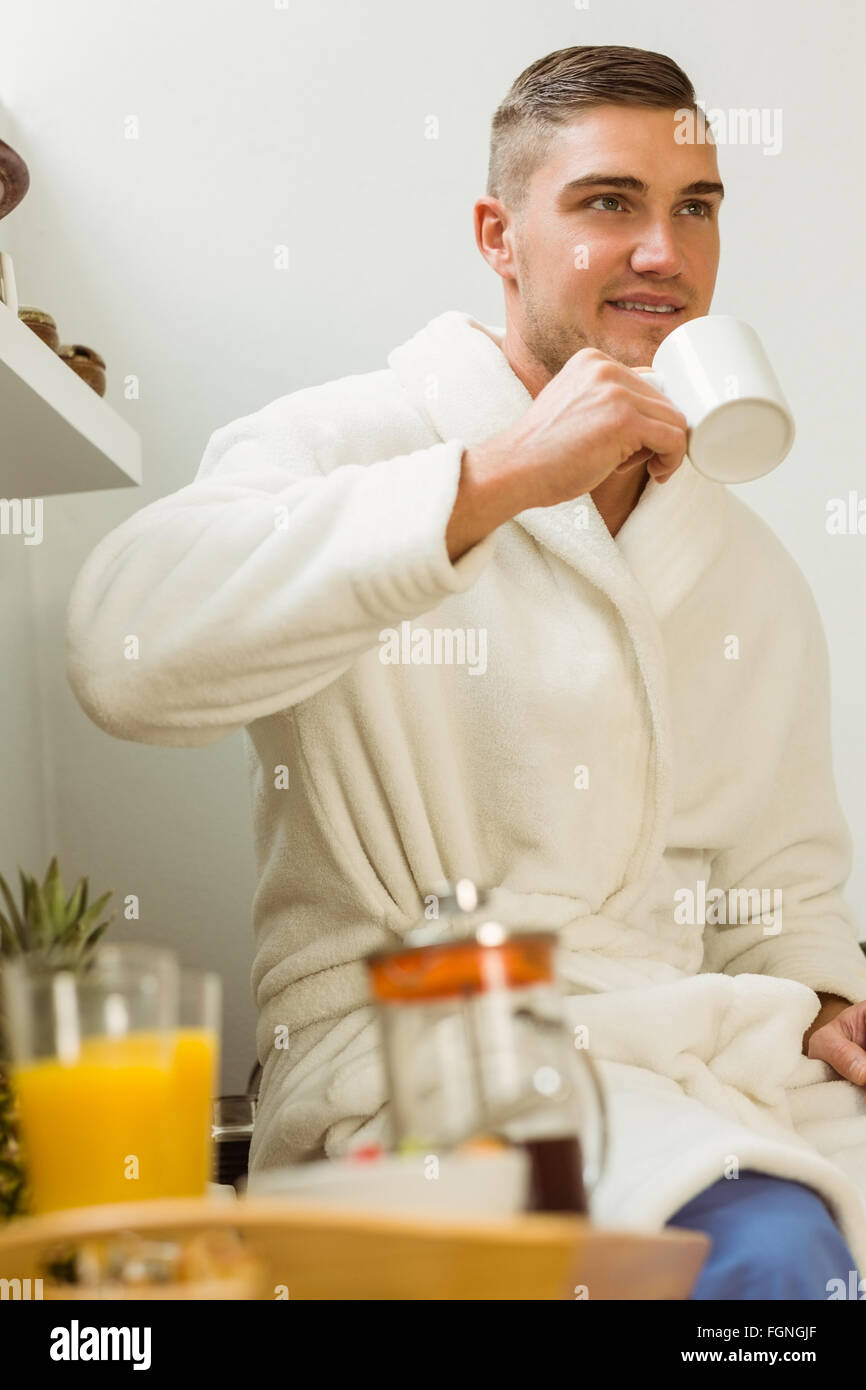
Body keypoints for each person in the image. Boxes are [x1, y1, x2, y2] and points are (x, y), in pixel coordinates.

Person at [65, 44, 866, 1299]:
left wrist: (821, 995)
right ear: (499, 236)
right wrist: (493, 482)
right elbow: (121, 655)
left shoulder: (744, 565)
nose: (663, 250)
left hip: (703, 1054)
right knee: (763, 1257)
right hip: (416, 1056)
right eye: (609, 202)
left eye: (693, 208)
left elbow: (780, 886)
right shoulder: (349, 442)